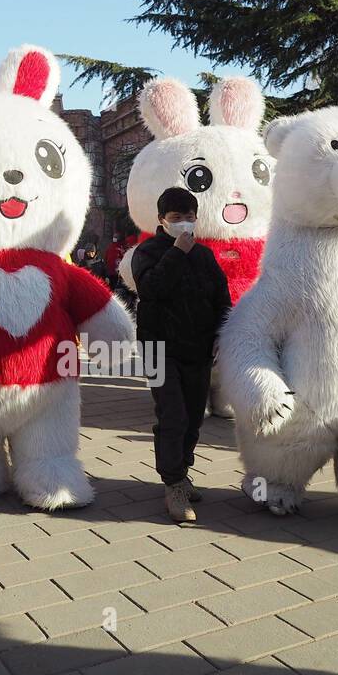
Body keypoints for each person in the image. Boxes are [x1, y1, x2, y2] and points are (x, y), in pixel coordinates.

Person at [131, 186, 231, 524]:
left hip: (198, 349)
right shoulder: (147, 252)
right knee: (172, 414)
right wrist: (175, 253)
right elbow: (151, 289)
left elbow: (221, 299)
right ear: (162, 219)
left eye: (190, 217)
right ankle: (172, 483)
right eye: (177, 217)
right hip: (159, 349)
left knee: (192, 417)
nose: (185, 223)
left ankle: (183, 472)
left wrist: (222, 334)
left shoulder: (204, 256)